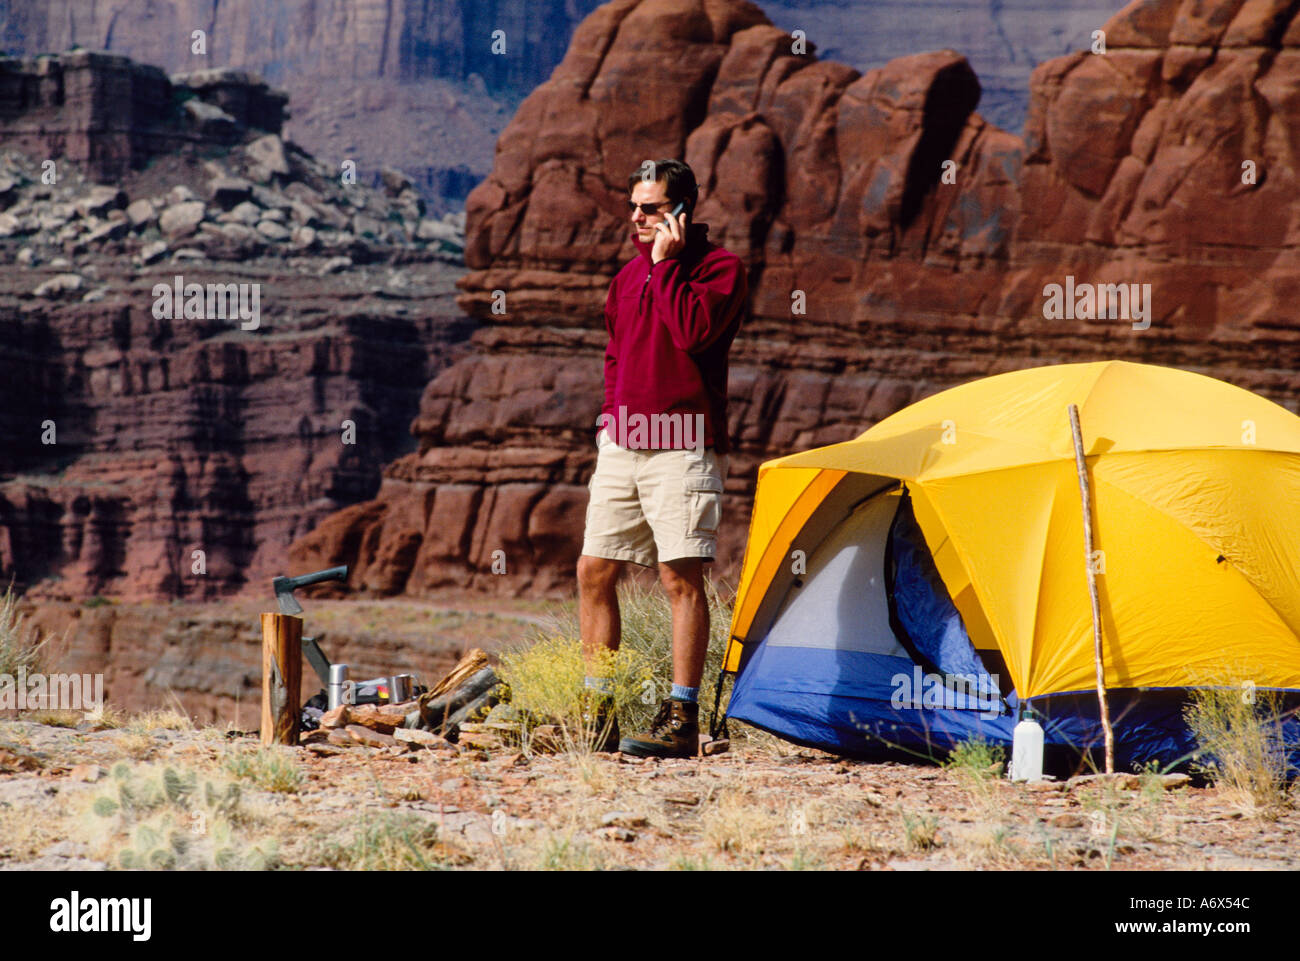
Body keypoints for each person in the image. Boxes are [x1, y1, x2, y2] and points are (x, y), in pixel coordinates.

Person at [576, 158, 748, 757]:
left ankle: (682, 720)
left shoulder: (719, 269)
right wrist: (610, 420)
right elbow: (615, 356)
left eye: (649, 207)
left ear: (682, 209)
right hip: (624, 441)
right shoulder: (625, 279)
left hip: (684, 441)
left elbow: (693, 333)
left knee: (680, 579)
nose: (637, 217)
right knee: (594, 571)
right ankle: (597, 712)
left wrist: (666, 269)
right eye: (634, 207)